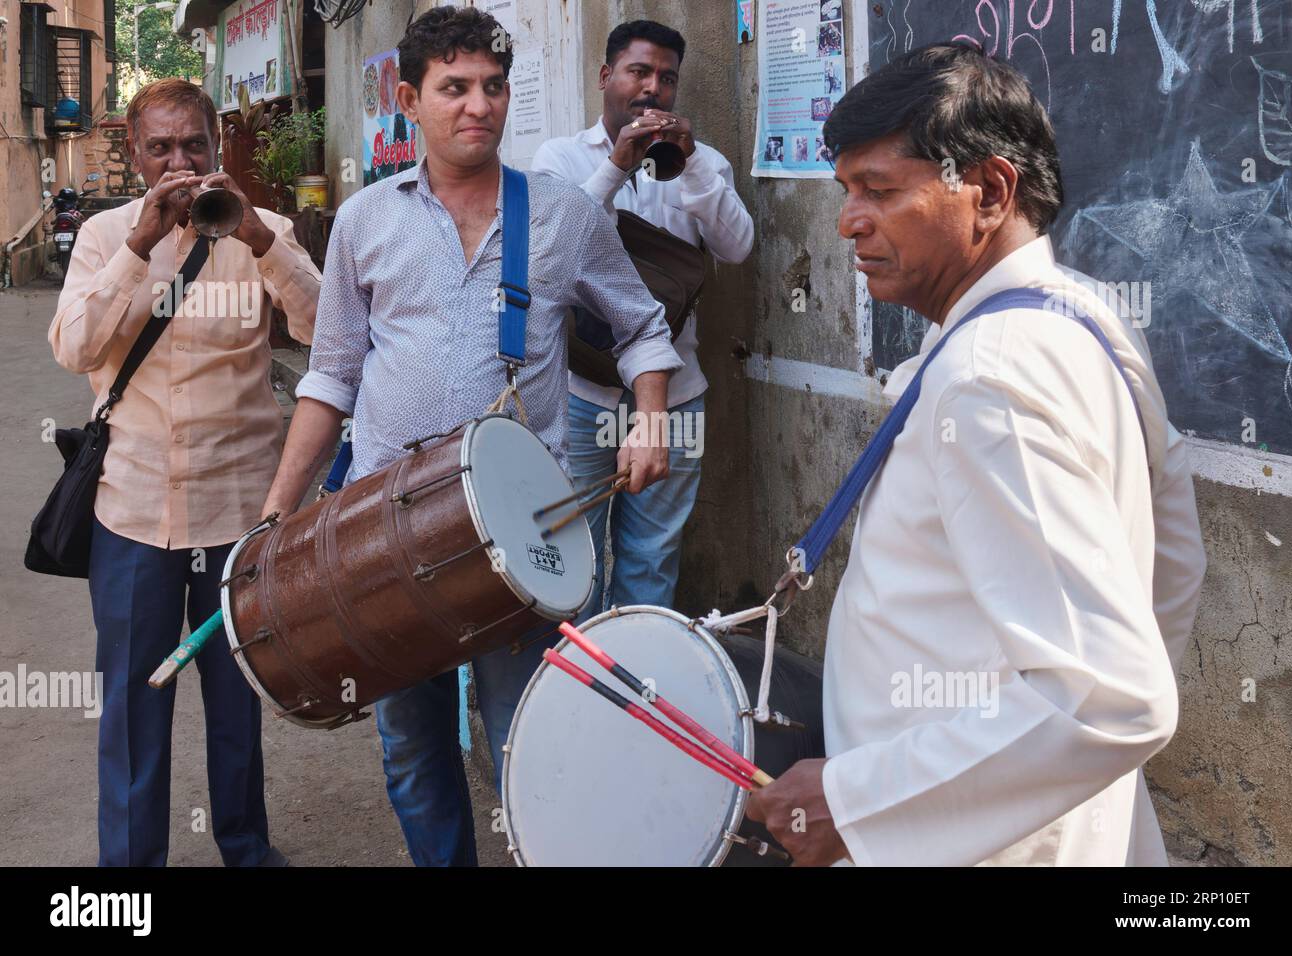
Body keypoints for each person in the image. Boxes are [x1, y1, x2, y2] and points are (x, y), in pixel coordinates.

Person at [746, 43, 1206, 866]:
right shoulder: (1089, 318)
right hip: (1028, 817)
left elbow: (1110, 698)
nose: (849, 219)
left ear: (989, 191)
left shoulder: (985, 378)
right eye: (847, 190)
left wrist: (857, 801)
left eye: (879, 190)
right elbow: (1172, 563)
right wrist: (1066, 766)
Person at [258, 5, 683, 867]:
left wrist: (649, 418)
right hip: (381, 527)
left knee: (532, 736)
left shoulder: (563, 213)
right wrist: (277, 514)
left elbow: (641, 328)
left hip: (526, 529)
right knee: (412, 747)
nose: (477, 106)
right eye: (454, 89)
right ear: (410, 98)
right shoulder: (364, 221)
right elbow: (331, 376)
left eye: (493, 87)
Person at [49, 78, 320, 866]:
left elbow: (320, 327)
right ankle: (128, 874)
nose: (179, 161)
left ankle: (245, 848)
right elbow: (74, 349)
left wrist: (264, 243)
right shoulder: (103, 237)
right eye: (160, 148)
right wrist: (139, 247)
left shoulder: (263, 227)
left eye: (193, 145)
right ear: (135, 156)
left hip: (240, 513)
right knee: (134, 708)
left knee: (239, 702)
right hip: (132, 511)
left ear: (217, 146)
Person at [532, 19, 753, 620]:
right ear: (606, 77)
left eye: (667, 78)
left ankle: (631, 700)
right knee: (573, 560)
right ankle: (575, 693)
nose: (653, 88)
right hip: (580, 396)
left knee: (652, 559)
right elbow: (549, 252)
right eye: (639, 72)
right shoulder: (560, 158)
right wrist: (617, 167)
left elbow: (737, 247)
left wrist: (692, 167)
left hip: (676, 395)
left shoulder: (702, 164)